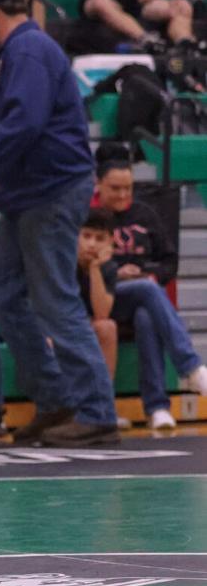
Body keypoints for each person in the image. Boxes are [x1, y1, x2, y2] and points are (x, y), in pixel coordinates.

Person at [0, 0, 117, 447]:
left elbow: (25, 123)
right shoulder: (25, 49)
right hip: (28, 192)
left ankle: (96, 412)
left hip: (50, 190)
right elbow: (23, 127)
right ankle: (56, 399)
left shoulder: (25, 50)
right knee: (3, 294)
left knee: (55, 300)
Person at [95, 156, 207, 429]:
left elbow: (169, 261)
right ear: (98, 185)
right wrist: (117, 272)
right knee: (147, 289)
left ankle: (157, 407)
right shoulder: (91, 217)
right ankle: (191, 367)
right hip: (103, 294)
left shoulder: (145, 214)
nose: (123, 195)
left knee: (146, 315)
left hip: (141, 295)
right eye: (115, 188)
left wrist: (146, 271)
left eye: (128, 188)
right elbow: (84, 260)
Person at [76, 209, 122, 410]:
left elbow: (102, 313)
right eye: (86, 236)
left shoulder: (108, 268)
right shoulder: (63, 262)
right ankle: (60, 407)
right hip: (59, 324)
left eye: (99, 239)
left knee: (107, 327)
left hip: (85, 322)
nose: (92, 244)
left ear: (110, 242)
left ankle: (104, 405)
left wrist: (94, 268)